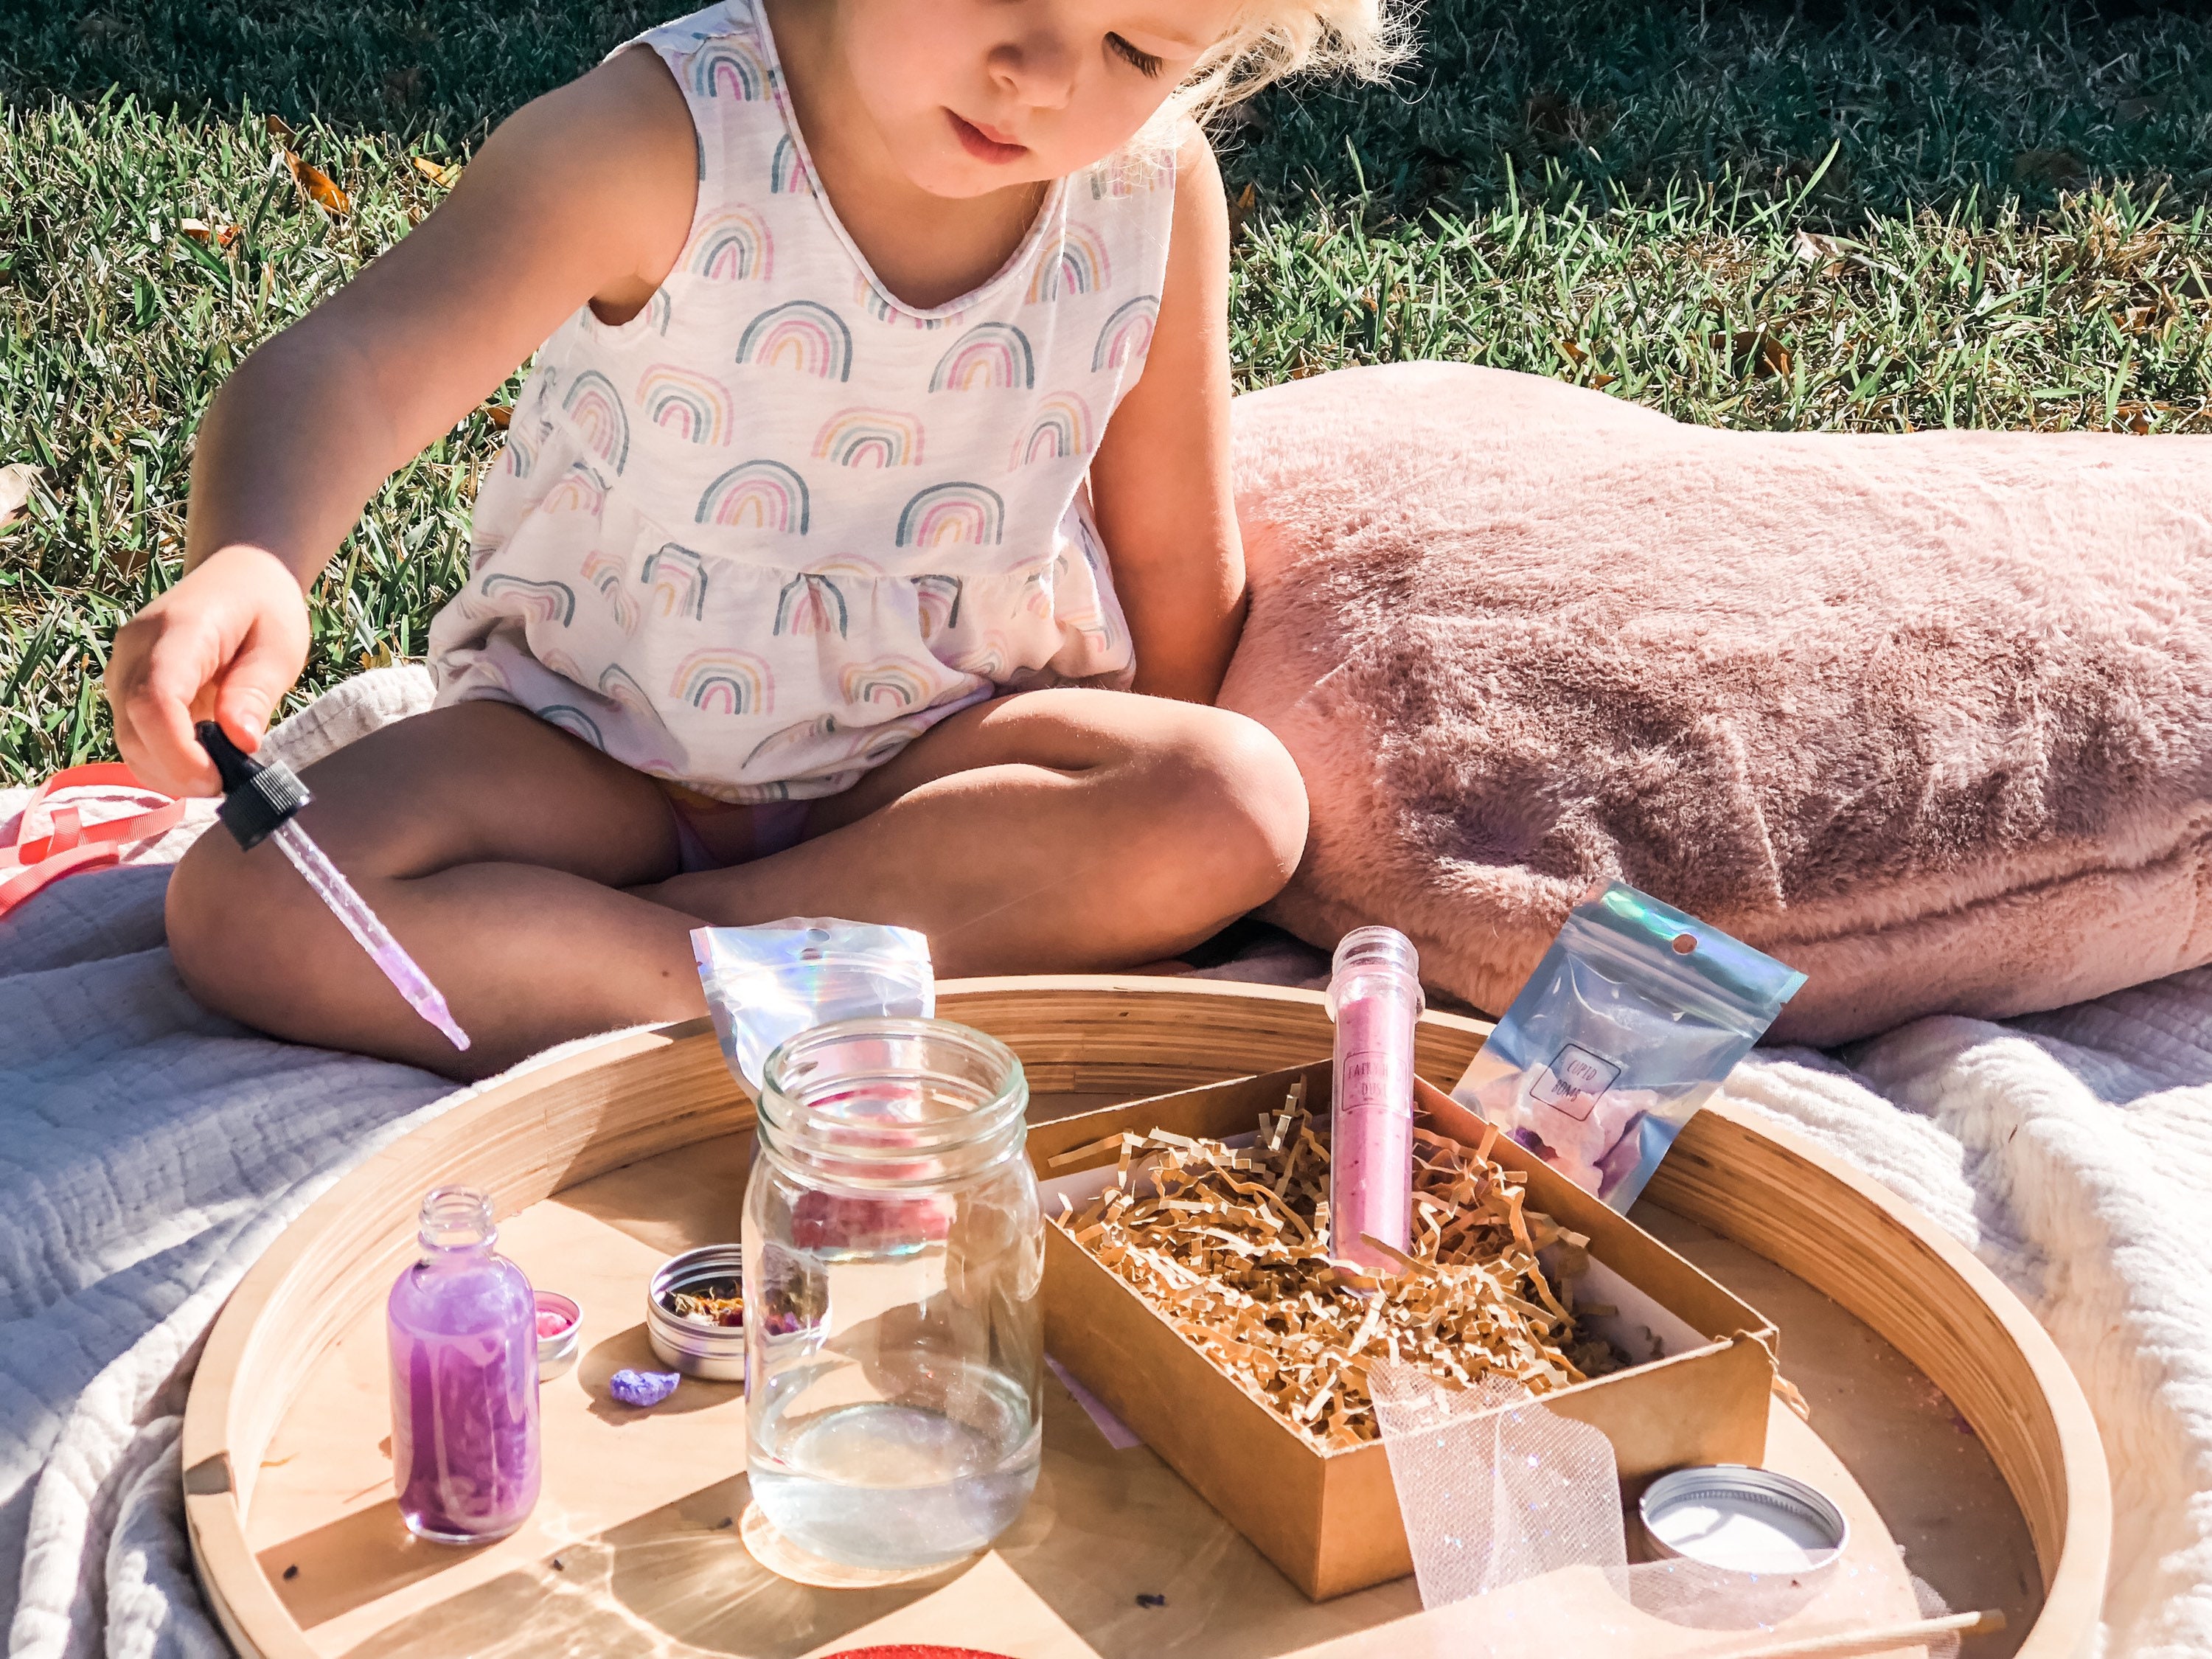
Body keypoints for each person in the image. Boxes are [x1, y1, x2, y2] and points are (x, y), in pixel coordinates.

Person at [107, 0, 1398, 1079]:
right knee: (247, 897)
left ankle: (653, 962)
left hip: (935, 767)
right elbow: (352, 368)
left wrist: (1147, 854)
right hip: (592, 740)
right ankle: (774, 982)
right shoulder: (664, 137)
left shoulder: (1145, 189)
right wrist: (252, 558)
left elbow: (1176, 563)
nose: (1046, 77)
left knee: (1236, 801)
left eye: (1135, 50)